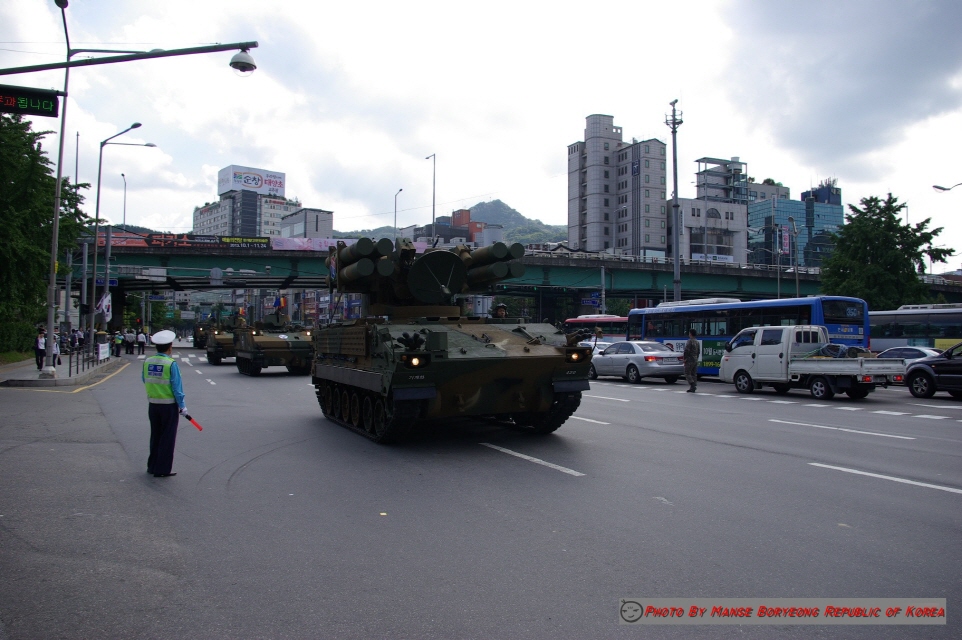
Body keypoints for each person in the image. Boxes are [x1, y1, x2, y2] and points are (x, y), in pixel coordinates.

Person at [142, 330, 187, 478]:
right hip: (168, 405)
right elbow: (177, 387)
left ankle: (152, 466)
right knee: (167, 437)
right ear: (170, 347)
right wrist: (182, 406)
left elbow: (145, 380)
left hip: (153, 404)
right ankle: (162, 469)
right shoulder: (170, 364)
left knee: (155, 435)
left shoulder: (148, 362)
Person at [683, 328, 700, 393]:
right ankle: (693, 387)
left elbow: (686, 350)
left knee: (687, 372)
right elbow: (698, 351)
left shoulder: (690, 341)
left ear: (690, 334)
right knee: (693, 374)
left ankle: (692, 384)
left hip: (689, 359)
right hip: (695, 359)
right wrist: (696, 358)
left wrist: (685, 359)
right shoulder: (697, 341)